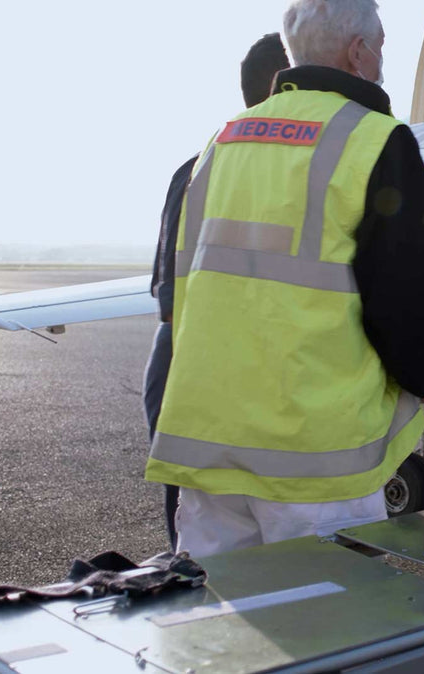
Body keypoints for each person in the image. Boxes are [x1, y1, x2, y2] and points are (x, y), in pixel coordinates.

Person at [146, 0, 424, 557]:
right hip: (311, 455)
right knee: (331, 625)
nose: (381, 59)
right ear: (357, 51)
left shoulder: (223, 141)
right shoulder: (374, 139)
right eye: (380, 45)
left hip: (212, 444)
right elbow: (400, 289)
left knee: (218, 631)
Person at [141, 33, 289, 548]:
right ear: (283, 85)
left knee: (204, 560)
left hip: (187, 385)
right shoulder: (311, 165)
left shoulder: (199, 165)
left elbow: (169, 303)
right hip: (244, 395)